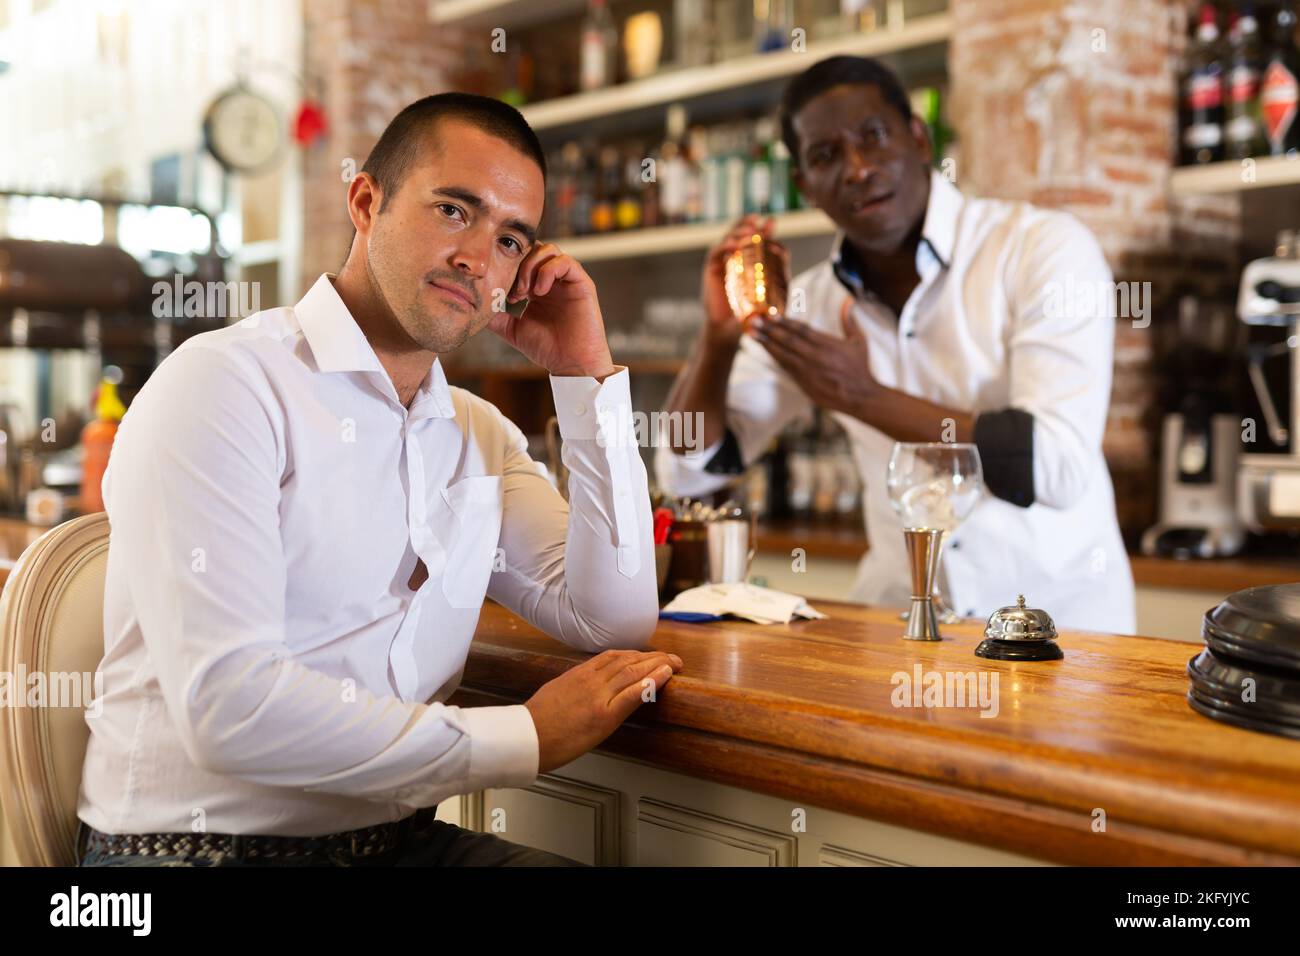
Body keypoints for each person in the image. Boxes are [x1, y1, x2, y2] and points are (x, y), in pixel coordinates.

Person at [77, 92, 679, 867]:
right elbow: (228, 709)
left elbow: (613, 620)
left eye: (509, 240)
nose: (476, 259)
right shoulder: (223, 385)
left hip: (394, 842)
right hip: (191, 852)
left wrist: (586, 377)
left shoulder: (476, 433)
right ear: (366, 200)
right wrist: (527, 735)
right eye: (455, 211)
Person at [656, 56, 1136, 634]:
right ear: (806, 187)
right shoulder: (807, 305)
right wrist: (717, 340)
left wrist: (861, 397)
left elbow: (1052, 466)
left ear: (918, 138)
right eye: (826, 156)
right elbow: (686, 471)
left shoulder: (1042, 250)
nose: (856, 169)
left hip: (1062, 636)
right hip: (900, 630)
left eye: (873, 137)